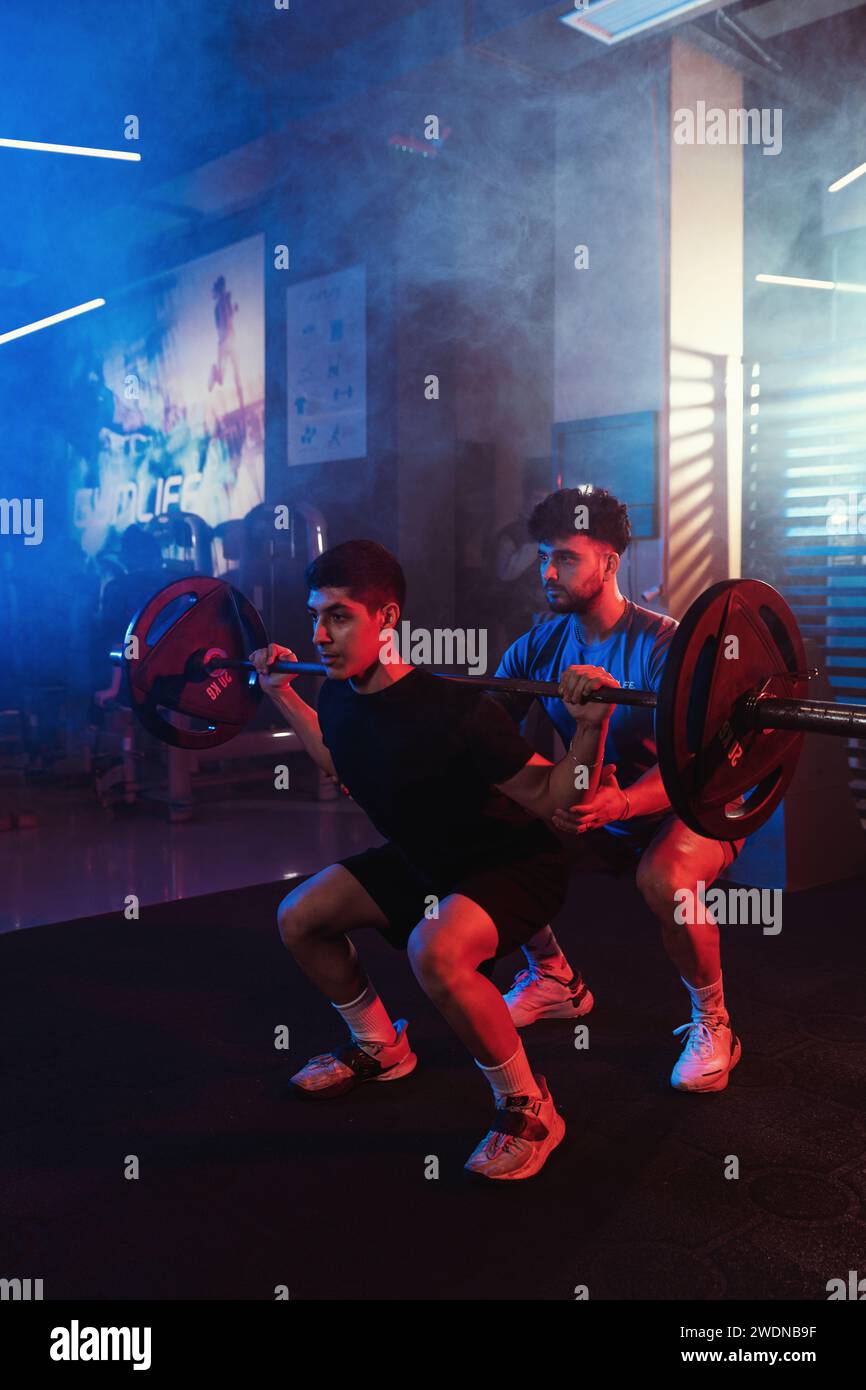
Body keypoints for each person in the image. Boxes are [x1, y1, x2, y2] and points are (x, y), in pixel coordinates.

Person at [251, 538, 622, 1181]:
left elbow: (551, 797)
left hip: (510, 863)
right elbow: (340, 759)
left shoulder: (458, 712)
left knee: (436, 950)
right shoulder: (338, 694)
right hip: (426, 860)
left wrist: (590, 725)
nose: (319, 634)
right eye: (315, 616)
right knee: (299, 915)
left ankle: (529, 1105)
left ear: (387, 619)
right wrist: (281, 694)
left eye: (338, 616)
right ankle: (380, 1046)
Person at [493, 488, 746, 1093]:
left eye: (566, 558)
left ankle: (715, 1023)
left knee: (664, 880)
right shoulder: (538, 646)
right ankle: (554, 978)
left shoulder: (665, 645)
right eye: (543, 558)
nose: (548, 573)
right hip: (601, 803)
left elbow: (698, 765)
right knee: (488, 831)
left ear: (609, 563)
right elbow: (487, 734)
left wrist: (621, 803)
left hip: (690, 803)